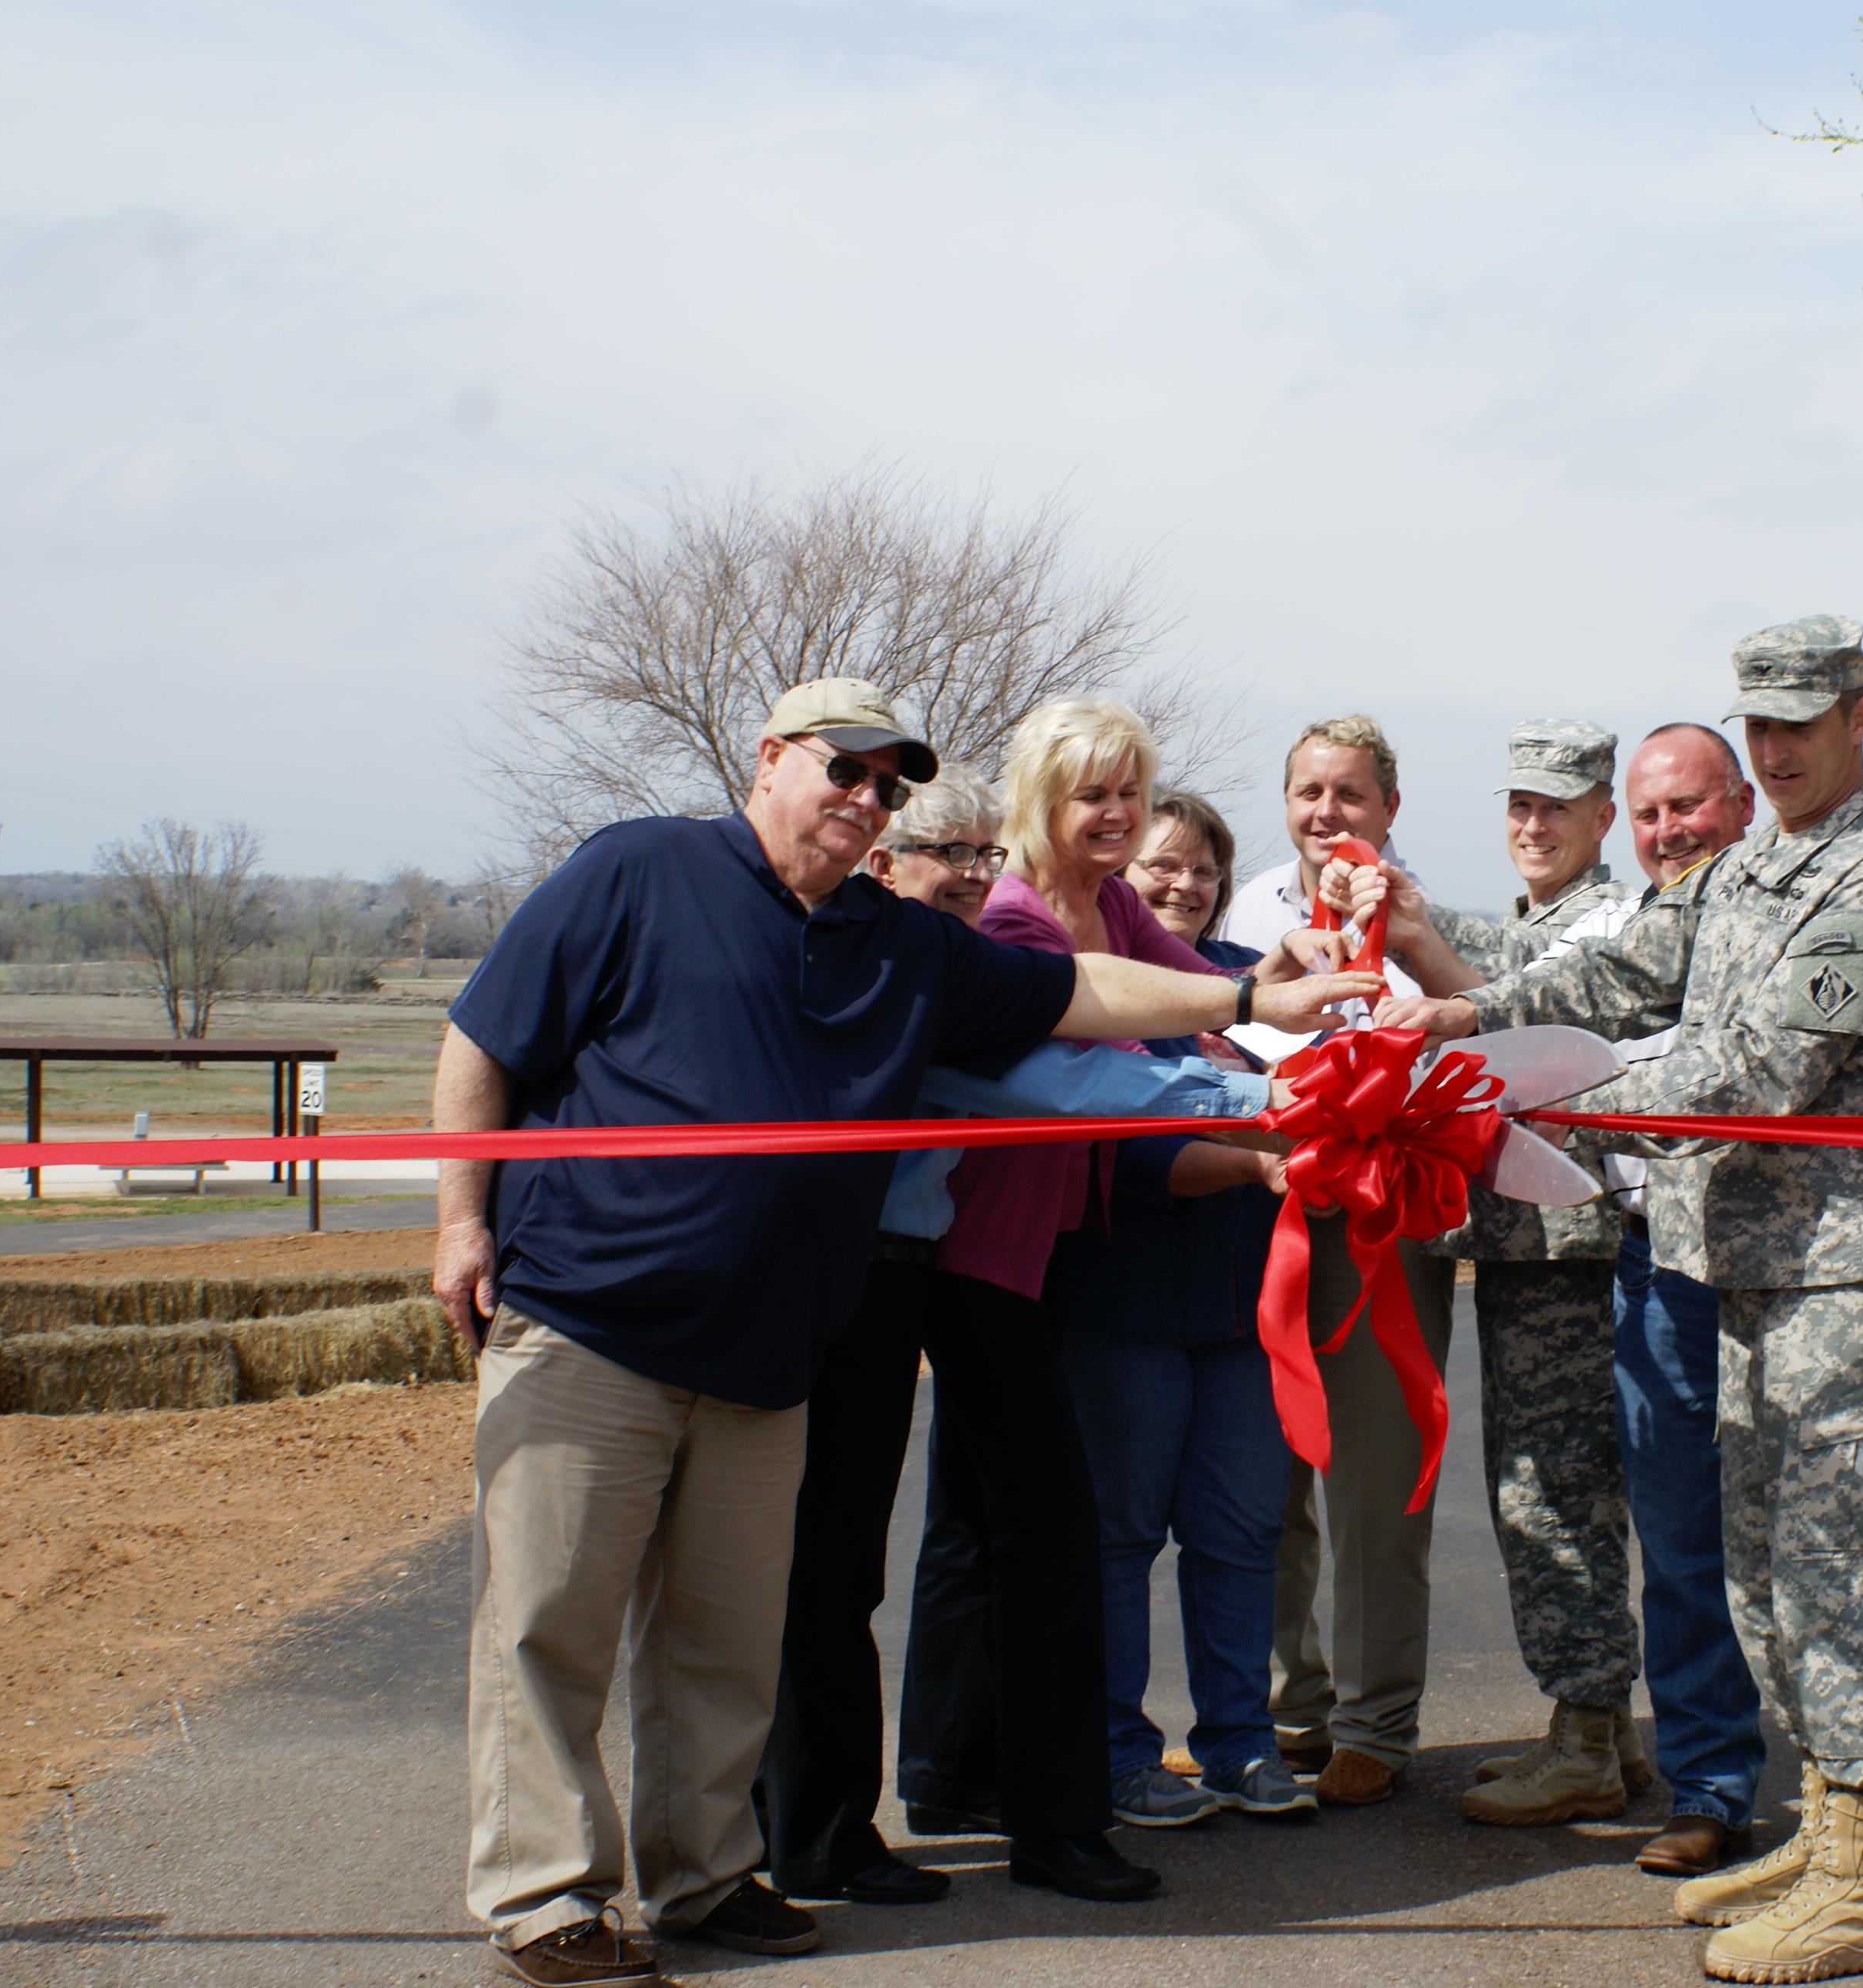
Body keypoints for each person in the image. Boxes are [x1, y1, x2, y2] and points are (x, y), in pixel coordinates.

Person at [436, 679, 1375, 1986]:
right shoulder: (641, 866)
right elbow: (486, 1035)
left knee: (725, 1634)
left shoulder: (903, 941)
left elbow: (1078, 996)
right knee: (553, 1622)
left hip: (772, 1345)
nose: (864, 799)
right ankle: (546, 1898)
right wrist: (461, 1224)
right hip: (593, 1314)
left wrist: (1252, 1006)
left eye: (888, 784)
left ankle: (707, 1877)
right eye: (845, 771)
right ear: (771, 760)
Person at [1376, 620, 1863, 1983]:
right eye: (1758, 724)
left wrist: (1536, 1090)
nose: (1777, 748)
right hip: (1744, 1265)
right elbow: (1623, 969)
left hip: (1843, 1269)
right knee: (1764, 1564)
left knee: (1840, 1565)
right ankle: (1827, 1829)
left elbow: (1761, 1067)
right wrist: (1473, 1024)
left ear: (1859, 719)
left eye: (1800, 724)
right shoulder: (1752, 864)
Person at [754, 765, 1282, 1909]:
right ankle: (818, 1829)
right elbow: (1060, 1076)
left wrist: (1263, 1054)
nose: (973, 875)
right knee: (840, 1552)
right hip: (860, 1272)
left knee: (1024, 1527)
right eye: (948, 852)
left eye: (984, 854)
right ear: (888, 861)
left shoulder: (953, 952)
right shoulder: (874, 950)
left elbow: (1090, 1010)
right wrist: (1264, 1104)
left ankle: (1033, 1810)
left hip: (943, 1258)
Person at [896, 698, 1332, 1904]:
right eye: (1094, 793)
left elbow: (1201, 991)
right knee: (1036, 1534)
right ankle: (1059, 1802)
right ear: (1041, 796)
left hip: (1048, 1254)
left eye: (1131, 792)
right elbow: (1095, 1066)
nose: (1117, 814)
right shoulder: (1024, 920)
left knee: (984, 1527)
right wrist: (1259, 1097)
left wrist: (1282, 994)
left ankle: (952, 1771)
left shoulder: (1116, 902)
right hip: (992, 1254)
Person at [1367, 721, 1648, 1828]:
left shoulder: (1614, 921)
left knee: (1555, 1487)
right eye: (1519, 805)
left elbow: (1527, 1014)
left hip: (1569, 1247)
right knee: (1540, 1481)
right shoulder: (1539, 919)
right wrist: (1395, 917)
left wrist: (1424, 950)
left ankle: (1586, 1732)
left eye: (1558, 805)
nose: (1534, 824)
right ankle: (1600, 1731)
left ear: (1601, 818)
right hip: (1525, 1242)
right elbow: (1474, 950)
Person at [1048, 789, 1314, 1828]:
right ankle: (1119, 1752)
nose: (1184, 885)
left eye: (1204, 868)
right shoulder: (1102, 992)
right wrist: (1260, 1164)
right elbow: (1131, 1146)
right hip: (1123, 1309)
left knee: (1241, 1531)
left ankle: (1242, 1746)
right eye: (1163, 865)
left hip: (1242, 1315)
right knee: (1120, 1538)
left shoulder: (1243, 999)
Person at [1220, 716, 1464, 1807]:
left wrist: (1412, 952)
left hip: (1379, 1220)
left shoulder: (1419, 914)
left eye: (1351, 795)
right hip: (1262, 1207)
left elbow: (1472, 1051)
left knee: (1370, 1478)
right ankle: (1293, 1709)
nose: (1328, 814)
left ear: (1389, 809)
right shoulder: (1249, 912)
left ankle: (1375, 1719)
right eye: (1309, 792)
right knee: (1265, 1480)